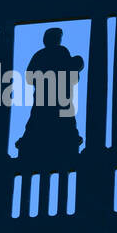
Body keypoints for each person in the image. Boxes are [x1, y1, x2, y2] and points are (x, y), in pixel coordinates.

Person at [15, 28, 84, 158]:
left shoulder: (43, 54)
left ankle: (65, 138)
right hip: (51, 95)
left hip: (53, 95)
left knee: (47, 117)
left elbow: (30, 76)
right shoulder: (57, 52)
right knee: (47, 117)